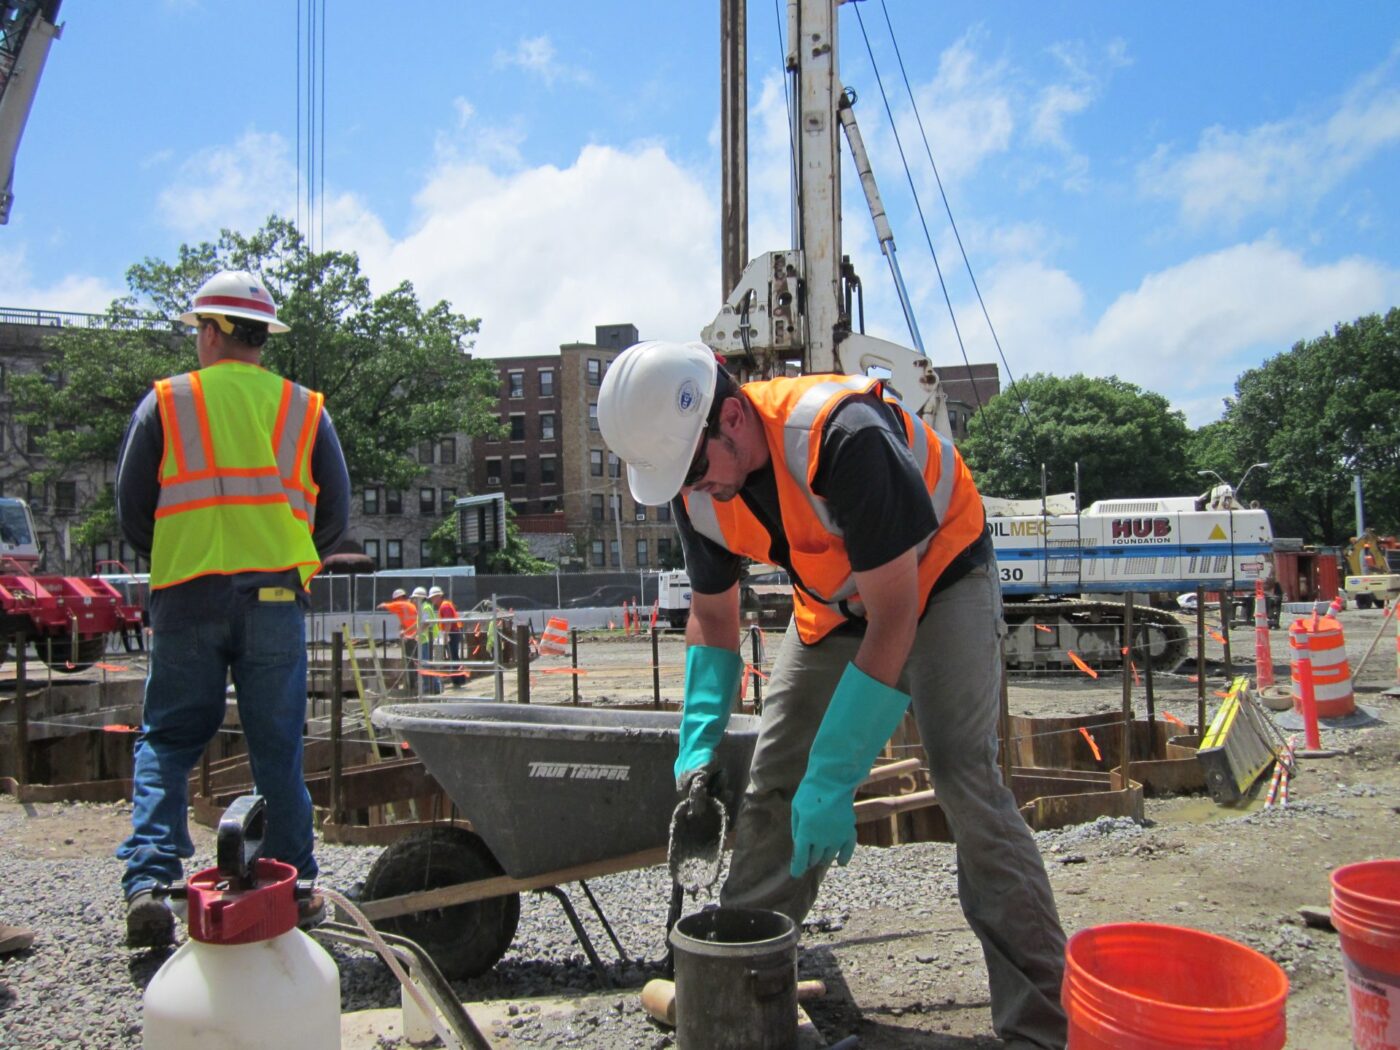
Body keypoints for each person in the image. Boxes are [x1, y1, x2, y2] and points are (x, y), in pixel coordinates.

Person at [598, 341, 1067, 1049]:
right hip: (839, 599)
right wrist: (696, 749)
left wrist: (838, 774)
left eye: (694, 470)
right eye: (674, 481)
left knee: (963, 778)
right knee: (773, 784)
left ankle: (1042, 1025)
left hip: (939, 579)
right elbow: (715, 618)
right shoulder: (697, 493)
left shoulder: (840, 435)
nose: (691, 490)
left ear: (731, 415)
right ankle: (740, 998)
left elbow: (897, 617)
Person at [115, 270, 350, 949]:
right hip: (275, 594)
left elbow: (134, 513)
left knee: (168, 739)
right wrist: (285, 550)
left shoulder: (166, 401)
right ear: (258, 336)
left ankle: (151, 883)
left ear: (213, 331)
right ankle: (295, 888)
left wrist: (183, 553)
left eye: (199, 330)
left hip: (186, 592)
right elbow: (334, 512)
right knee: (277, 744)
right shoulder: (303, 408)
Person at [378, 587, 420, 690]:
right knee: (413, 661)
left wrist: (384, 605)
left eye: (396, 599)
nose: (395, 602)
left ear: (400, 598)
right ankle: (413, 684)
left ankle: (412, 686)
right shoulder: (409, 606)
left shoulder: (403, 604)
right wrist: (402, 628)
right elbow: (405, 621)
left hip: (411, 637)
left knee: (410, 662)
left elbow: (387, 605)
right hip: (413, 635)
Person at [428, 585, 466, 686]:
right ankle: (457, 679)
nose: (432, 599)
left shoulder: (445, 606)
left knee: (453, 657)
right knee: (451, 656)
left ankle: (458, 679)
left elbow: (448, 622)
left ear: (438, 596)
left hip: (450, 633)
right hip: (447, 633)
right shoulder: (444, 605)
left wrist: (445, 636)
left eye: (433, 597)